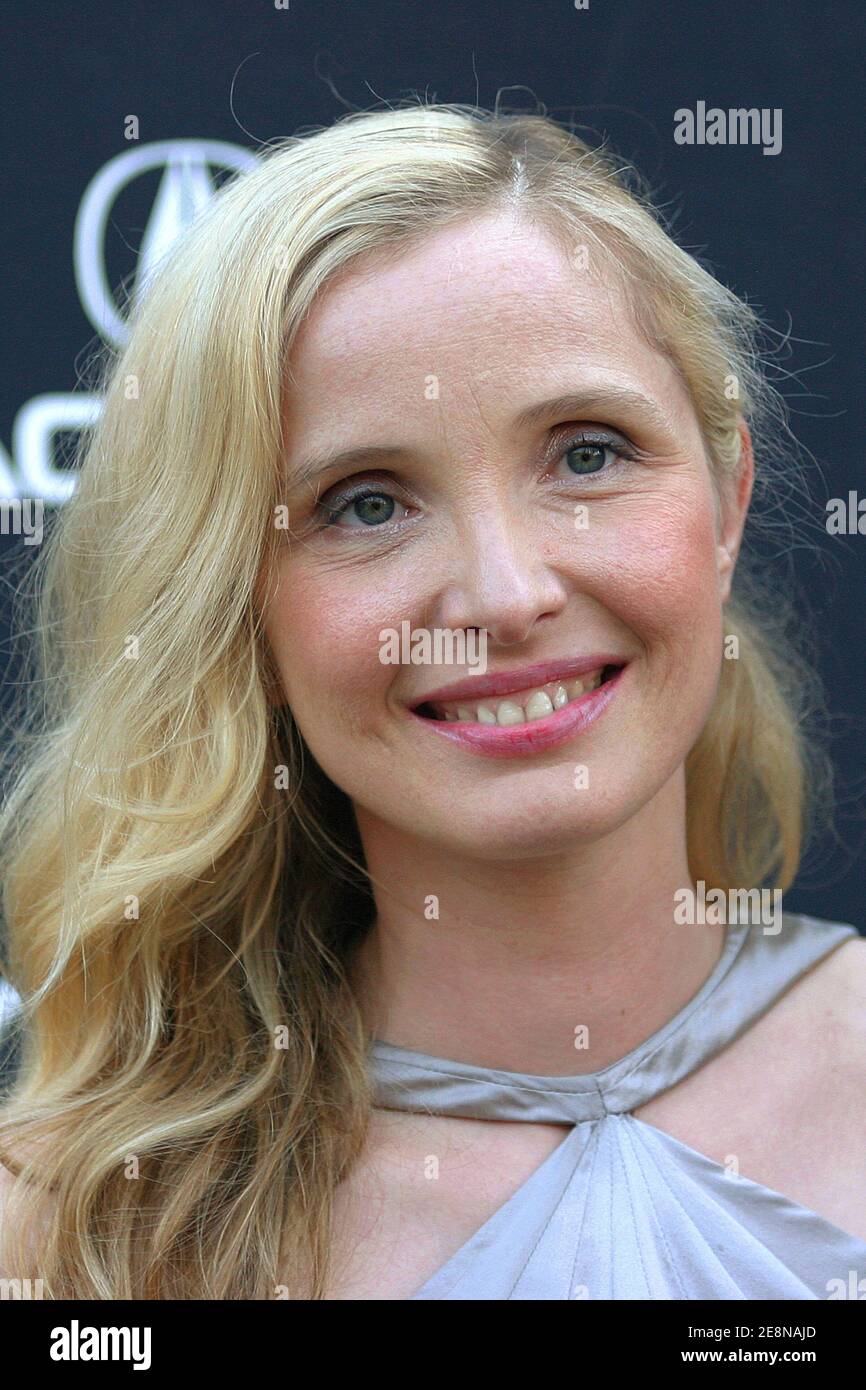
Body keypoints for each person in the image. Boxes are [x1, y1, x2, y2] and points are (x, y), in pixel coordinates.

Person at [0, 100, 864, 1300]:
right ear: (234, 603)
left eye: (585, 452)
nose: (507, 595)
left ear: (724, 500)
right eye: (365, 503)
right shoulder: (72, 1235)